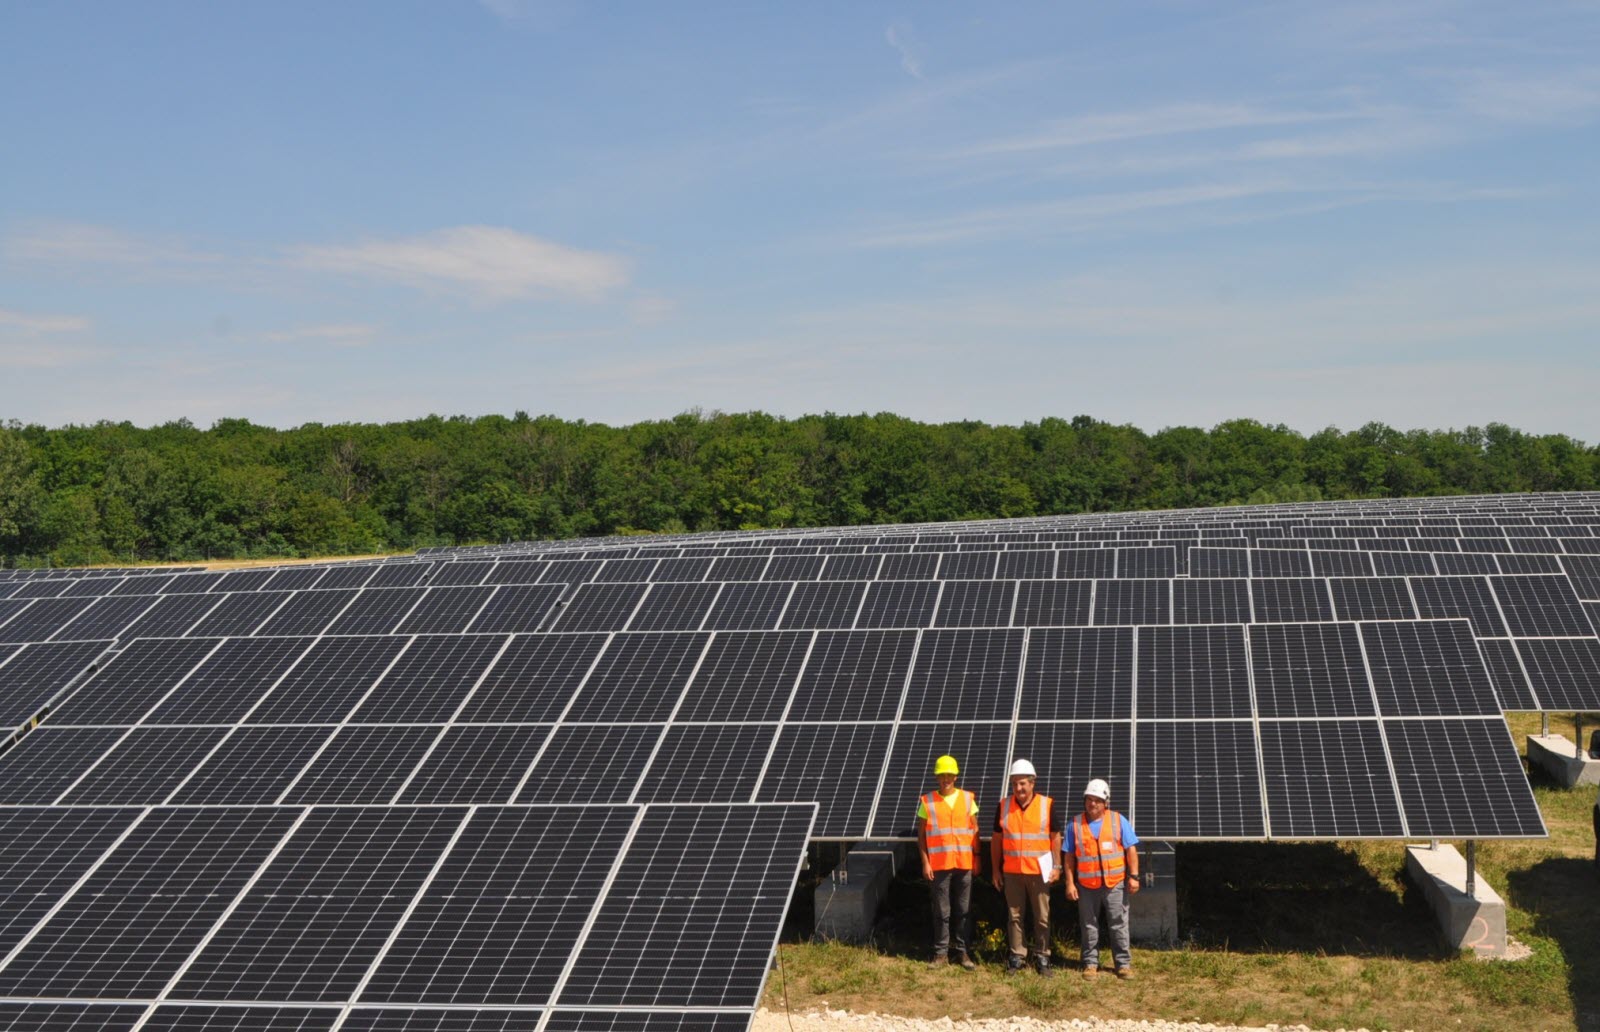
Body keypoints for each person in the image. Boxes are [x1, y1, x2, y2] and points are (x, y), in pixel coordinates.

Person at [1063, 778, 1141, 979]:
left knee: (1118, 923)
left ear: (1106, 801)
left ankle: (1123, 964)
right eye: (1089, 799)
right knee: (1089, 925)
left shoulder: (1118, 820)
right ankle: (1090, 964)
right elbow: (1069, 857)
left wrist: (1133, 876)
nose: (1092, 803)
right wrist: (1070, 883)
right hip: (1087, 886)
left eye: (1097, 799)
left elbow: (1131, 849)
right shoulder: (1074, 824)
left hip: (1115, 884)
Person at [990, 758, 1060, 976]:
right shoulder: (1003, 806)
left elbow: (1055, 836)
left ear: (1032, 783)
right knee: (1015, 916)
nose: (1018, 788)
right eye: (1014, 784)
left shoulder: (1046, 805)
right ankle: (1017, 955)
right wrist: (995, 870)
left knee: (1042, 916)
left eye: (1022, 783)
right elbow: (996, 840)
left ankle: (1042, 956)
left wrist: (1056, 866)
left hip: (1039, 872)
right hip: (1012, 872)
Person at [917, 754, 979, 969]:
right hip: (939, 865)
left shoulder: (967, 799)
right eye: (942, 775)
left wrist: (977, 858)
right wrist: (925, 862)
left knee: (963, 910)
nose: (946, 779)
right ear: (937, 778)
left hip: (964, 864)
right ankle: (941, 954)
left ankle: (963, 953)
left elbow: (974, 830)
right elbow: (922, 836)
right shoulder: (928, 801)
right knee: (941, 911)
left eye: (949, 775)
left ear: (955, 776)